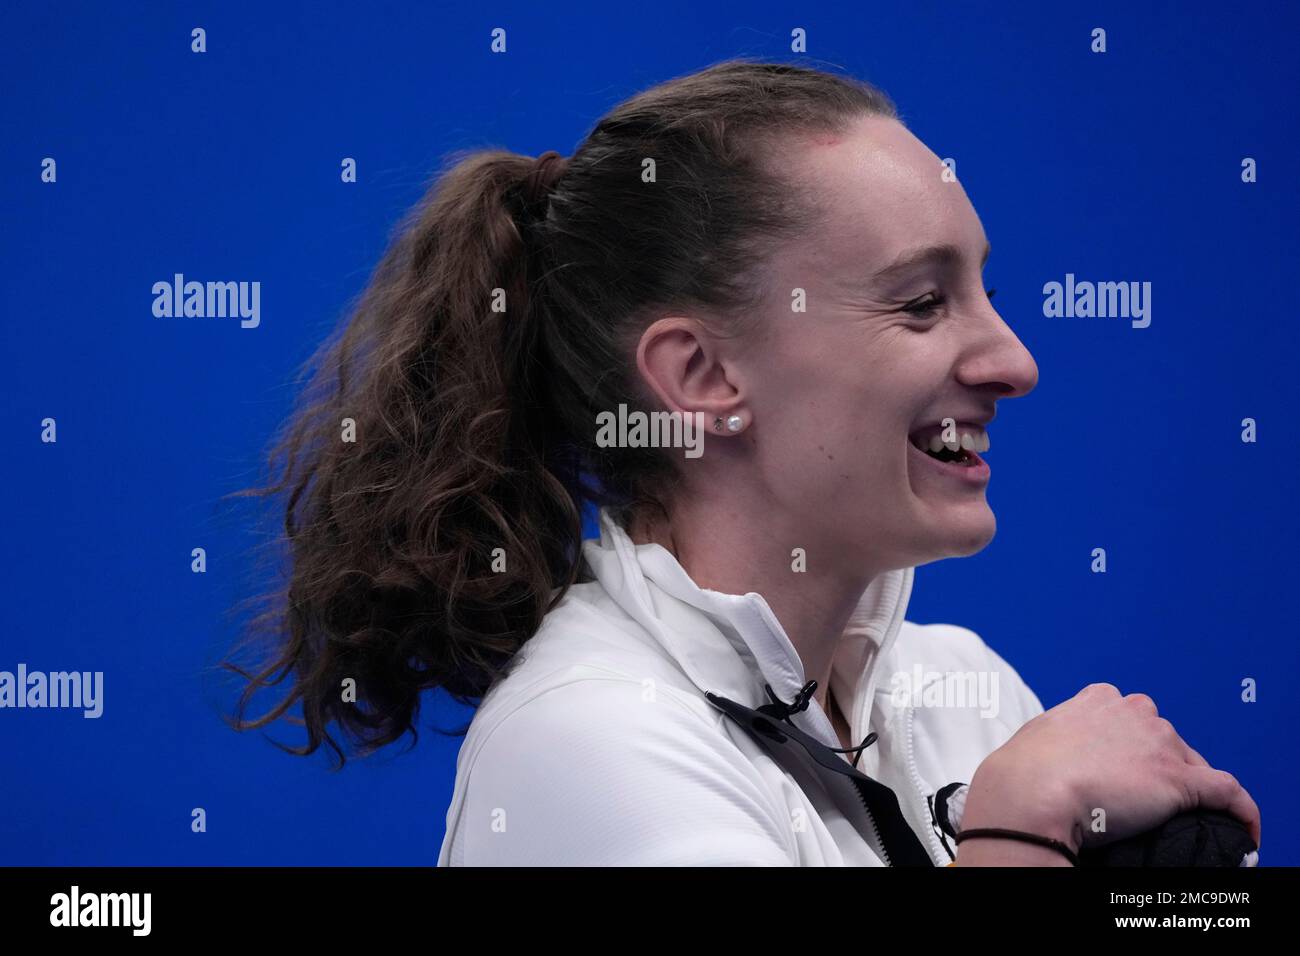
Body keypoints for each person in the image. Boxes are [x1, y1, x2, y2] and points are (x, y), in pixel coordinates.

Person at [226, 58, 1262, 866]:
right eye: (919, 302)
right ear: (702, 375)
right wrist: (1018, 836)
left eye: (983, 288)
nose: (1014, 360)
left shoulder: (966, 691)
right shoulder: (586, 738)